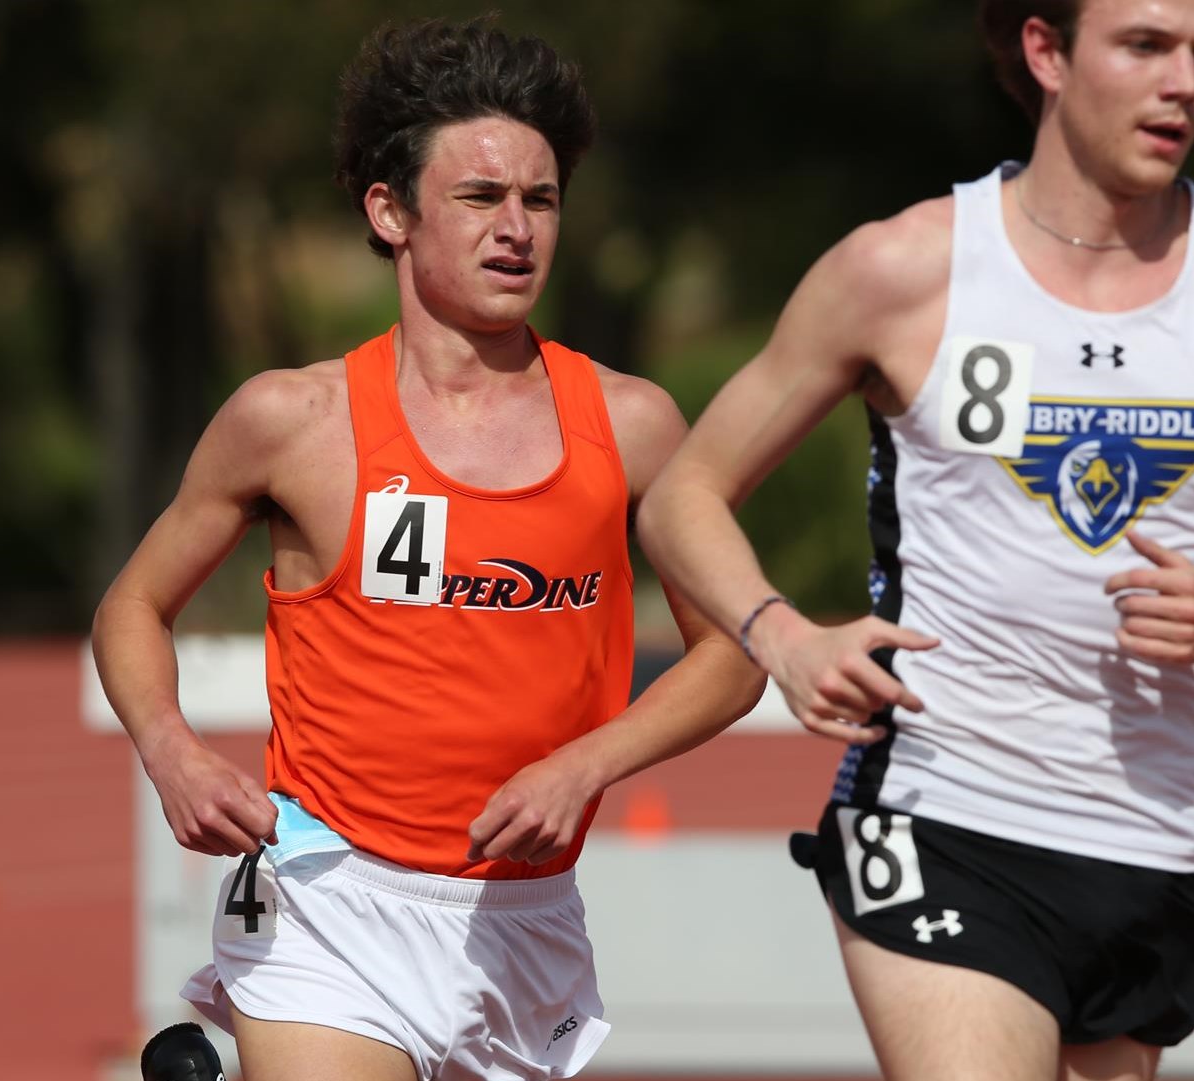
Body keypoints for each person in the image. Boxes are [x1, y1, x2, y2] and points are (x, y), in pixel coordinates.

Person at [635, 1, 1194, 1079]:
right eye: (1143, 46)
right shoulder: (903, 269)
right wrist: (781, 637)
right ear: (1045, 51)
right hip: (939, 810)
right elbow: (681, 494)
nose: (1183, 82)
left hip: (1150, 850)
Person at [92, 16, 764, 1081]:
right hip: (326, 901)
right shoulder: (290, 420)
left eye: (540, 200)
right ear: (390, 211)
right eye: (480, 198)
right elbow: (130, 605)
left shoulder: (631, 425)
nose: (517, 229)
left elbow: (733, 652)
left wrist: (587, 762)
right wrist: (169, 748)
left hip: (520, 920)